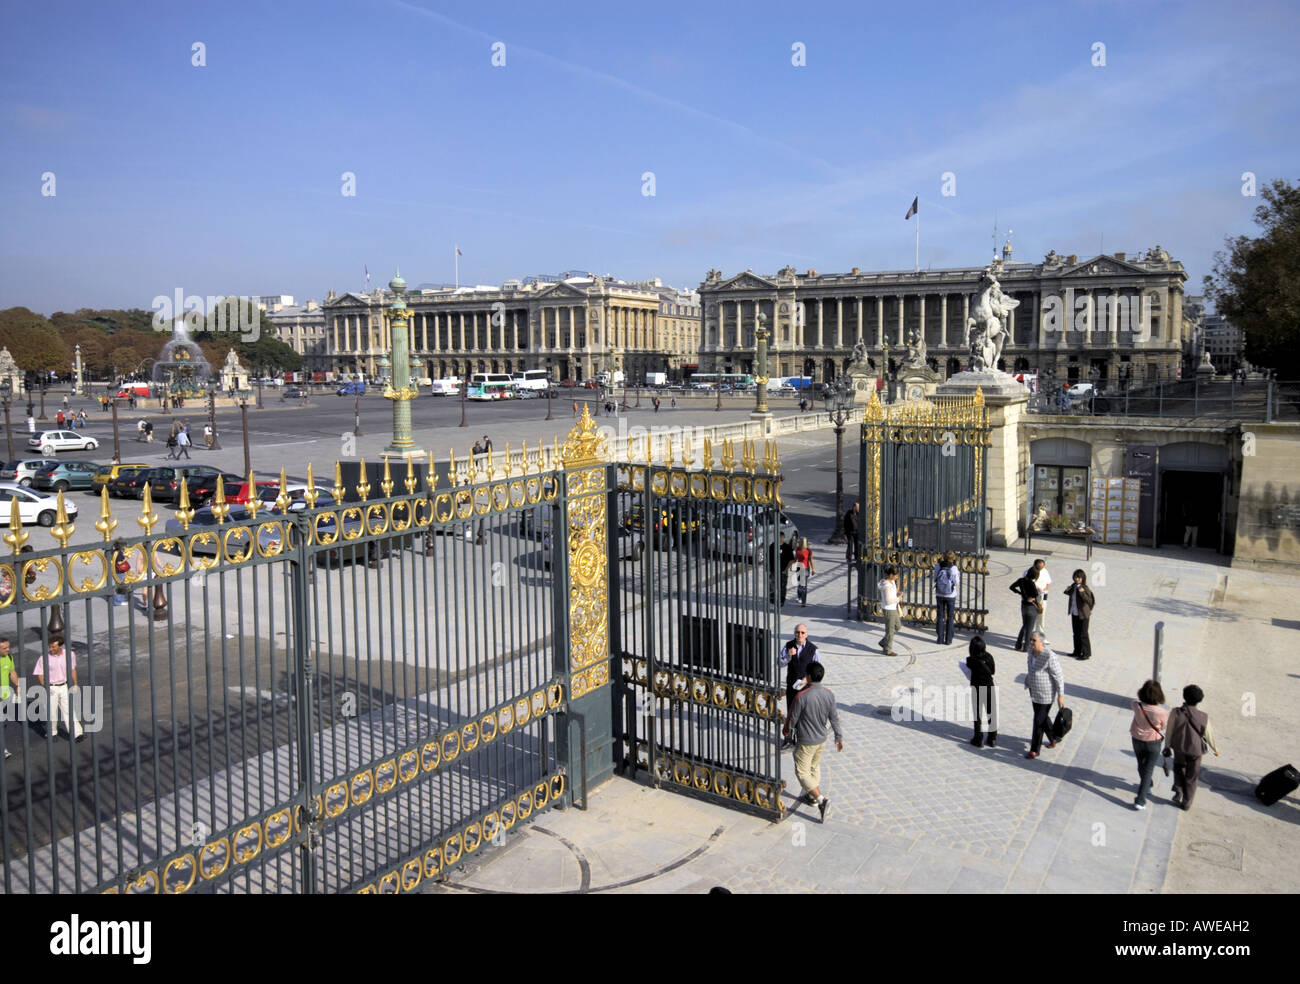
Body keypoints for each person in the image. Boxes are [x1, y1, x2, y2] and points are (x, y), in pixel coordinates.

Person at [787, 661, 843, 821]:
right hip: (821, 738)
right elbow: (834, 718)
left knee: (802, 771)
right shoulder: (829, 694)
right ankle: (812, 797)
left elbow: (792, 719)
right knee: (813, 766)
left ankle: (820, 800)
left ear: (808, 676)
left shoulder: (802, 696)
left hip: (806, 740)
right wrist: (839, 737)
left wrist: (788, 735)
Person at [1164, 684, 1219, 811]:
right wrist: (1215, 748)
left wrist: (1167, 745)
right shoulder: (1203, 716)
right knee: (1191, 776)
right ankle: (1187, 802)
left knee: (1178, 769)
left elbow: (1169, 730)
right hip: (1195, 750)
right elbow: (1208, 734)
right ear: (1199, 700)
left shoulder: (1175, 712)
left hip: (1179, 747)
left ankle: (1178, 790)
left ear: (1184, 697)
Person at [1023, 630, 1064, 759]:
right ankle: (1053, 738)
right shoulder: (1030, 650)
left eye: (1034, 640)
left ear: (1041, 642)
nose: (1031, 642)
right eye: (1030, 639)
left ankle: (1034, 749)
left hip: (1046, 694)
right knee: (1042, 717)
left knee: (1038, 721)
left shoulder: (1049, 656)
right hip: (1034, 690)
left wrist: (1060, 695)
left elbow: (1058, 676)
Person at [33, 636, 82, 741]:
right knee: (52, 712)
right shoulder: (44, 658)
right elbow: (39, 673)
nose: (51, 649)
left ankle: (77, 734)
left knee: (69, 710)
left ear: (61, 646)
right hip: (51, 687)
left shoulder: (70, 655)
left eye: (53, 646)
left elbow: (72, 670)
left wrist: (75, 684)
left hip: (64, 685)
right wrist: (44, 686)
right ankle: (52, 733)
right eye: (50, 647)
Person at [1129, 679, 1168, 810]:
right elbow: (1163, 726)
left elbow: (1134, 701)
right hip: (1153, 742)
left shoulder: (1136, 705)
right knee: (1148, 769)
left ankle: (1148, 785)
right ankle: (1141, 800)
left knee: (1141, 764)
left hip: (1137, 739)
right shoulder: (1161, 712)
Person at [779, 625, 818, 747]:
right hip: (792, 685)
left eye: (802, 632)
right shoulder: (788, 645)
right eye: (797, 632)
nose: (799, 635)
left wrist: (808, 678)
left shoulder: (813, 649)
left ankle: (802, 738)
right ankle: (789, 738)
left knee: (804, 712)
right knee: (791, 711)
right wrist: (789, 656)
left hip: (806, 686)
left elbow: (817, 669)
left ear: (806, 634)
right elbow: (779, 663)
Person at [966, 635, 997, 748]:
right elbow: (993, 671)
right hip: (989, 687)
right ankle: (992, 738)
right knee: (991, 713)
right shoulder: (989, 657)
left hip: (977, 688)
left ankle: (978, 738)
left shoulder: (970, 660)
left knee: (977, 715)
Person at [1063, 568, 1095, 660]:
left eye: (1079, 577)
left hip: (1083, 614)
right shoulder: (1074, 586)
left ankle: (1086, 653)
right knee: (1075, 633)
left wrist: (1082, 593)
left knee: (1083, 634)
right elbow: (1068, 593)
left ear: (1082, 578)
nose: (1077, 579)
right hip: (1074, 613)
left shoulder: (1084, 588)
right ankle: (1077, 651)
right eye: (1075, 577)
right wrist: (1067, 590)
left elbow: (1089, 600)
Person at [933, 550, 959, 645]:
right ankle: (948, 639)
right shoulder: (954, 568)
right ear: (953, 558)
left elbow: (934, 578)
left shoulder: (938, 566)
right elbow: (956, 582)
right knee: (950, 617)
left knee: (940, 616)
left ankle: (940, 638)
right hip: (951, 594)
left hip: (939, 593)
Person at [1010, 572, 1040, 651]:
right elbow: (1036, 594)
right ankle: (1026, 647)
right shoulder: (1031, 583)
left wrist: (1020, 593)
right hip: (1031, 606)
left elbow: (1012, 587)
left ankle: (1018, 645)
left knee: (1025, 626)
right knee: (1029, 628)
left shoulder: (1021, 580)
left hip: (1024, 606)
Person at [0, 638, 19, 759]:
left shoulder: (9, 657)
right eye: (4, 648)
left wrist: (17, 685)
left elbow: (12, 672)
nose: (8, 649)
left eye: (8, 647)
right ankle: (3, 750)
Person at [877, 565, 900, 657]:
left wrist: (897, 593)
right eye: (896, 575)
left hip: (893, 608)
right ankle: (887, 650)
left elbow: (894, 592)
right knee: (890, 630)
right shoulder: (886, 585)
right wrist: (898, 599)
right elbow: (888, 600)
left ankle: (884, 641)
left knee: (898, 626)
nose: (897, 576)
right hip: (888, 609)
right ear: (891, 575)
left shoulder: (893, 582)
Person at [793, 537, 814, 606]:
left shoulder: (808, 551)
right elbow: (795, 558)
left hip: (805, 569)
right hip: (799, 569)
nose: (799, 542)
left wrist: (813, 569)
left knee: (804, 586)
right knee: (800, 584)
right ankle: (799, 597)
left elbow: (811, 560)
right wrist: (791, 565)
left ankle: (803, 602)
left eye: (800, 541)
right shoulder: (798, 549)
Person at [778, 534, 795, 606]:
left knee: (783, 586)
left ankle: (781, 600)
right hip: (775, 570)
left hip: (784, 571)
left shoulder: (787, 548)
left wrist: (787, 568)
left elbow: (791, 560)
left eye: (782, 538)